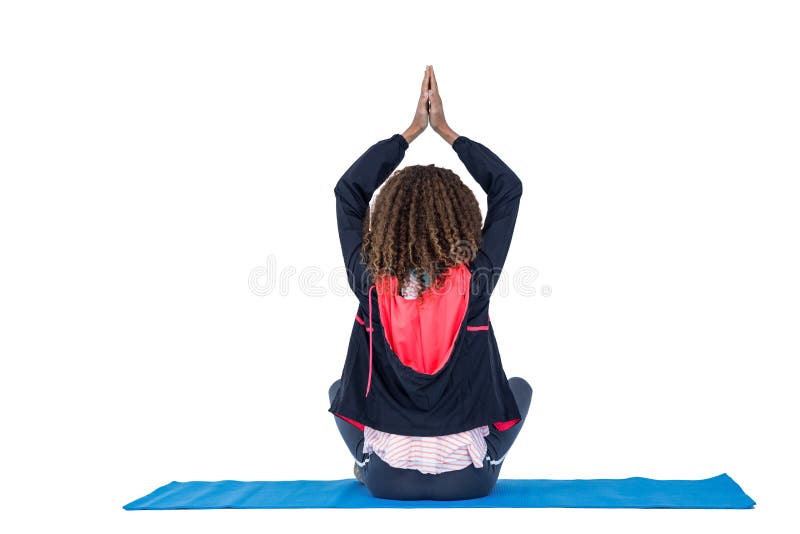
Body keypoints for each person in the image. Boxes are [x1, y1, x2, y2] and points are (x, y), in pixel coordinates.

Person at [328, 64, 532, 500]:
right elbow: (507, 188)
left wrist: (410, 133)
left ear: (386, 224)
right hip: (468, 482)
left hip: (387, 481)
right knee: (521, 391)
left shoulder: (370, 285)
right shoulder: (475, 280)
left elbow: (349, 192)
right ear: (459, 221)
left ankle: (365, 463)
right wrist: (446, 131)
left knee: (337, 392)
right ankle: (483, 457)